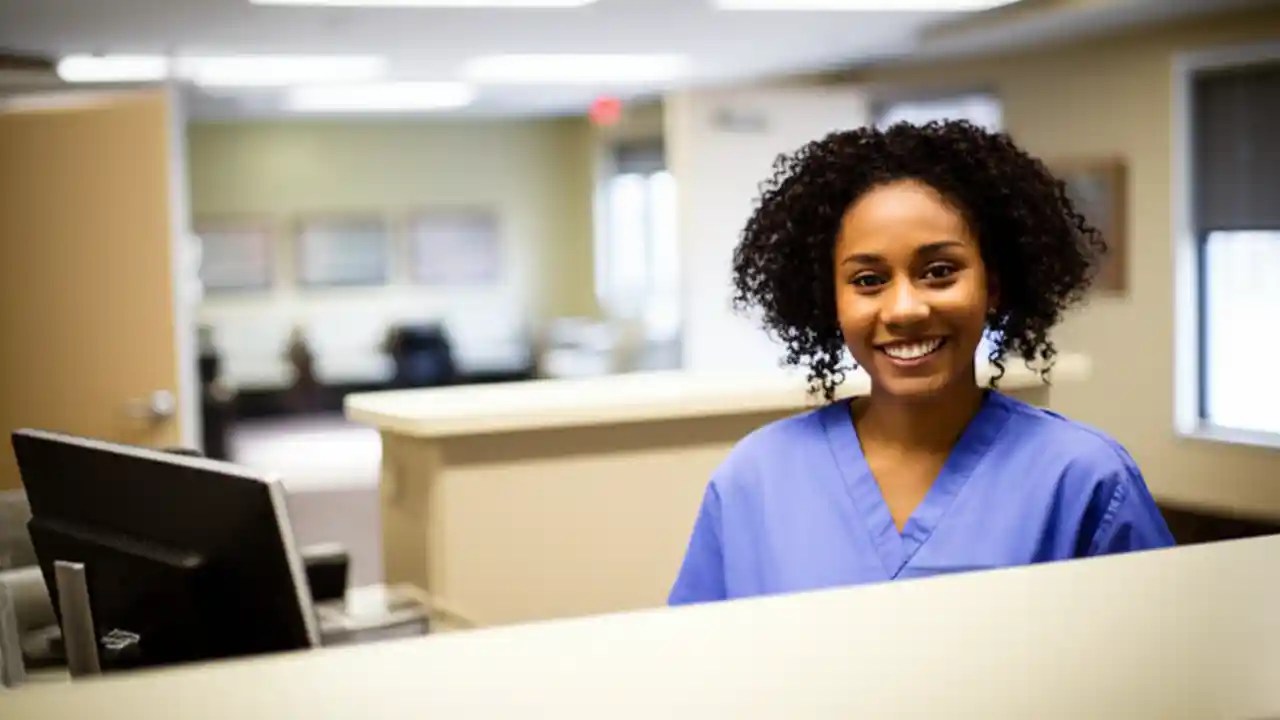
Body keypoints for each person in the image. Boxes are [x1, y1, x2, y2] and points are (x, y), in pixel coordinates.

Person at [669, 120, 1174, 605]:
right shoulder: (755, 480)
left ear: (992, 286)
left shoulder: (1082, 479)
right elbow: (698, 665)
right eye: (868, 280)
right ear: (830, 301)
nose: (905, 309)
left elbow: (1154, 669)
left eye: (939, 271)